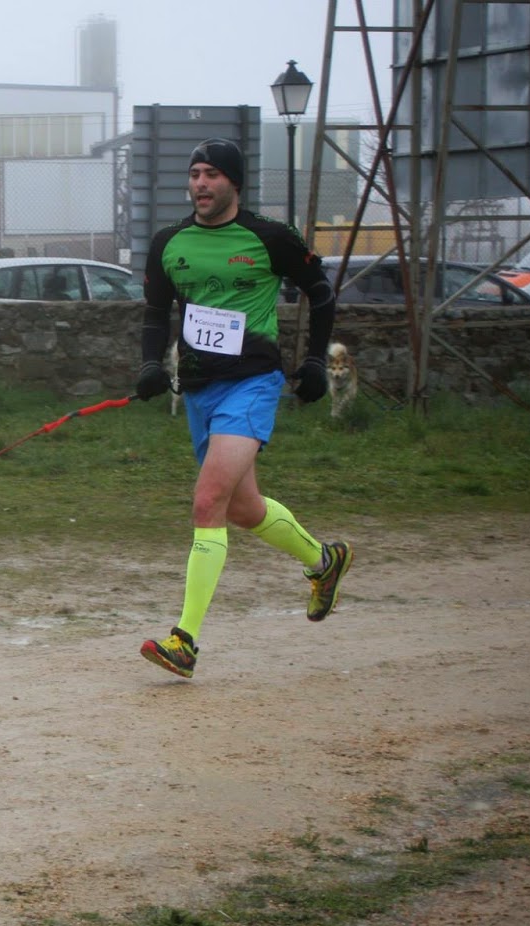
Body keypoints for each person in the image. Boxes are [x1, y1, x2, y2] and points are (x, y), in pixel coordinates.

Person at [133, 137, 350, 679]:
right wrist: (149, 367)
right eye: (195, 173)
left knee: (208, 502)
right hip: (201, 390)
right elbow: (155, 314)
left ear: (233, 182)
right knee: (243, 509)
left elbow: (320, 294)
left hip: (252, 384)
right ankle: (325, 561)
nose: (200, 183)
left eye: (211, 174)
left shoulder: (269, 238)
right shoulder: (169, 243)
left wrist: (317, 362)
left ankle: (184, 640)